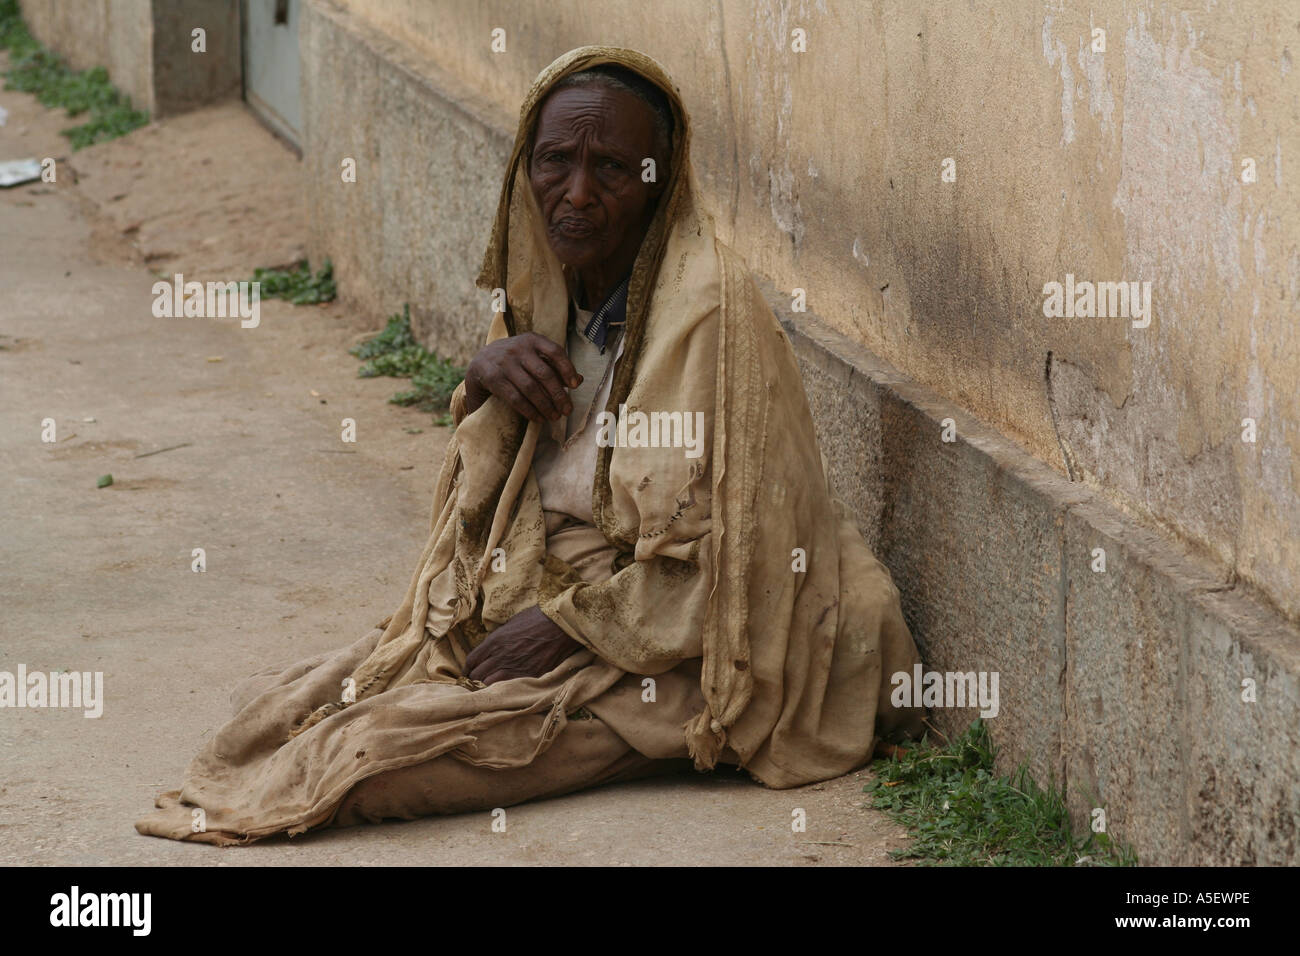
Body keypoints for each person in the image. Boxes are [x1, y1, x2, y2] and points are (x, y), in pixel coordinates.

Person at [136, 46, 922, 845]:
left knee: (374, 764)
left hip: (672, 637)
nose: (575, 194)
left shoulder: (707, 315)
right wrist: (483, 375)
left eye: (611, 168)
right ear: (526, 164)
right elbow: (499, 467)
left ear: (658, 182)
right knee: (287, 709)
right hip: (542, 572)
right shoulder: (549, 277)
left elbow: (725, 560)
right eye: (555, 162)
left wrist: (567, 625)